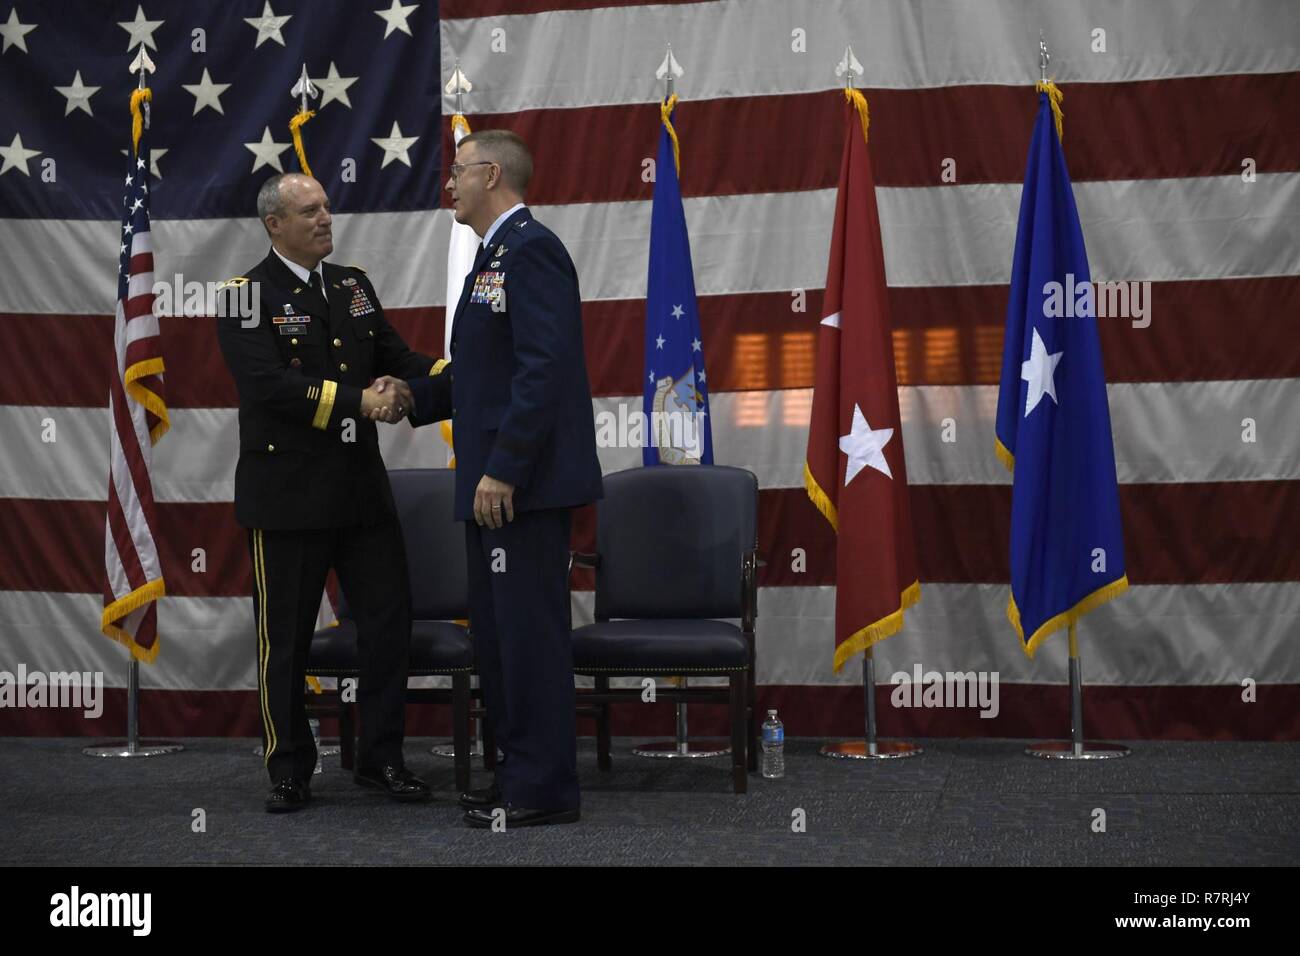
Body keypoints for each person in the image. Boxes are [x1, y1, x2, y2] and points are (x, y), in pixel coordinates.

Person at [216, 172, 452, 813]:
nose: (326, 218)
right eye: (309, 211)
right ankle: (289, 768)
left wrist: (458, 376)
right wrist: (360, 402)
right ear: (275, 225)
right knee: (286, 639)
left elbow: (397, 358)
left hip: (359, 492)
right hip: (287, 494)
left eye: (327, 207)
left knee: (386, 629)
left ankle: (381, 759)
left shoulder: (352, 284)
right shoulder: (242, 296)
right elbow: (269, 386)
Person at [406, 130, 603, 828]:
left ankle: (543, 787)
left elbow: (541, 370)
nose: (449, 185)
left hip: (519, 489)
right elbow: (481, 374)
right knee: (497, 642)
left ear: (491, 173)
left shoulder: (533, 249)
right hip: (492, 490)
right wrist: (413, 397)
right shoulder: (495, 256)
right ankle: (515, 771)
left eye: (458, 172)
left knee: (528, 640)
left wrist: (503, 469)